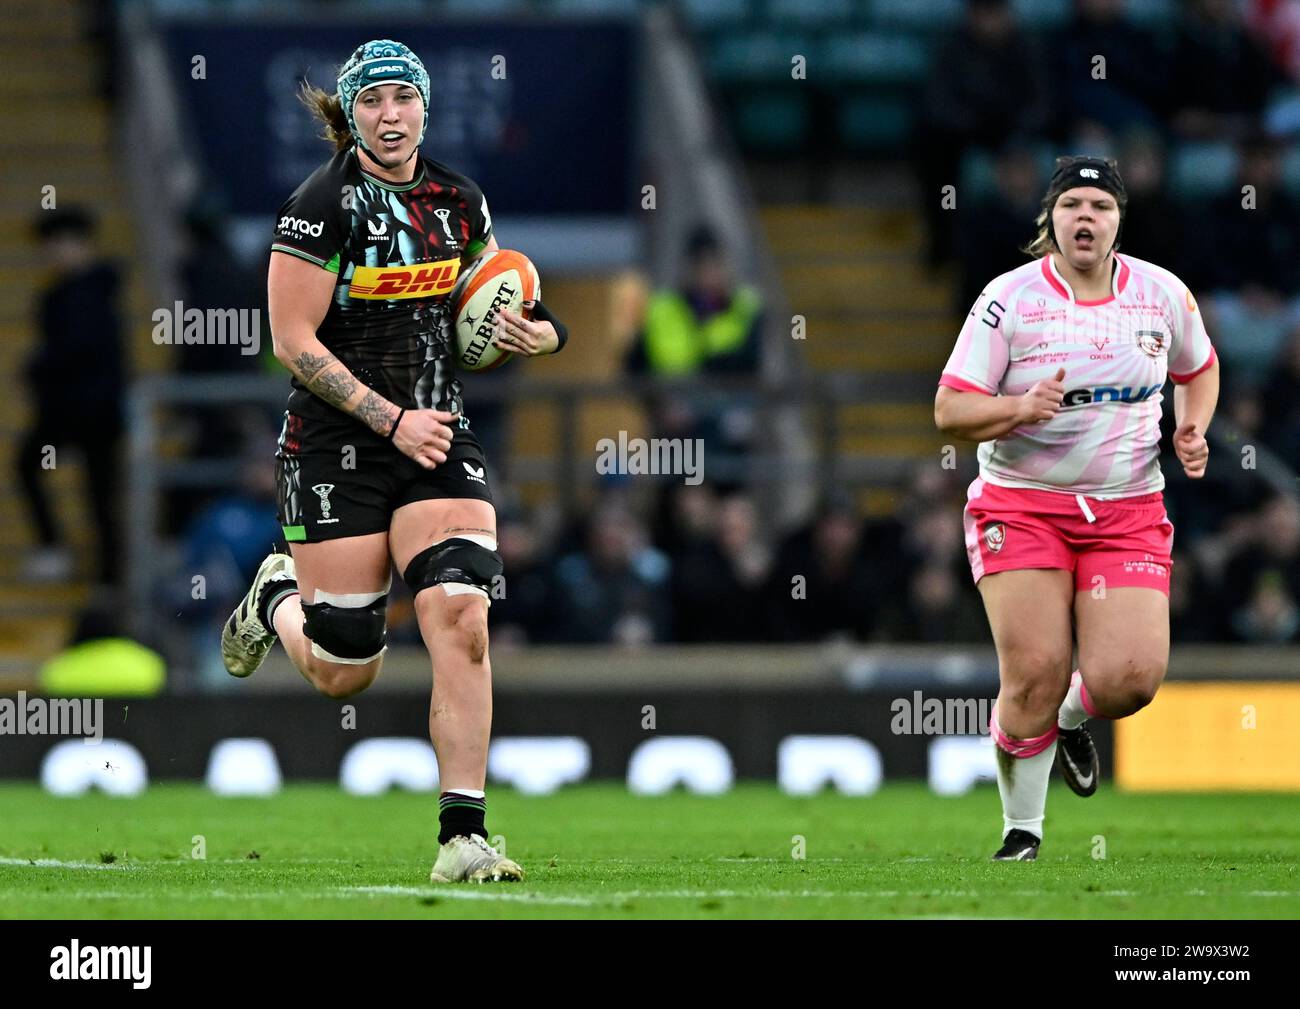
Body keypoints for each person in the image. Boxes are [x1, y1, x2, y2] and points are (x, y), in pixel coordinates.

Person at [219, 40, 569, 884]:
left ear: (423, 108)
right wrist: (389, 417)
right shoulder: (319, 206)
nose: (389, 114)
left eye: (402, 98)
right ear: (352, 113)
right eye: (372, 100)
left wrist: (538, 333)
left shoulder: (459, 199)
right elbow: (292, 343)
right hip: (338, 442)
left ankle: (464, 836)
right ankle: (276, 598)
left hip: (438, 435)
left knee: (462, 613)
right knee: (347, 669)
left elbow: (518, 299)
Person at [934, 156, 1220, 860]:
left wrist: (1192, 425)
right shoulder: (1009, 300)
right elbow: (949, 408)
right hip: (1023, 504)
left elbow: (1200, 367)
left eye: (1100, 205)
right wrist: (1016, 407)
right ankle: (1021, 831)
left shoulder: (1162, 295)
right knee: (1034, 668)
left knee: (1130, 679)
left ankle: (1068, 720)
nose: (1085, 217)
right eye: (1072, 205)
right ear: (1051, 220)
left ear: (1119, 221)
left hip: (1126, 508)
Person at [17, 208, 126, 586]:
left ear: (79, 244)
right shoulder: (59, 295)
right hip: (68, 411)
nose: (51, 253)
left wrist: (39, 368)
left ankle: (109, 575)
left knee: (100, 496)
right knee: (32, 468)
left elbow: (81, 351)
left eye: (57, 244)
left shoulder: (95, 291)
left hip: (93, 412)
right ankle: (63, 554)